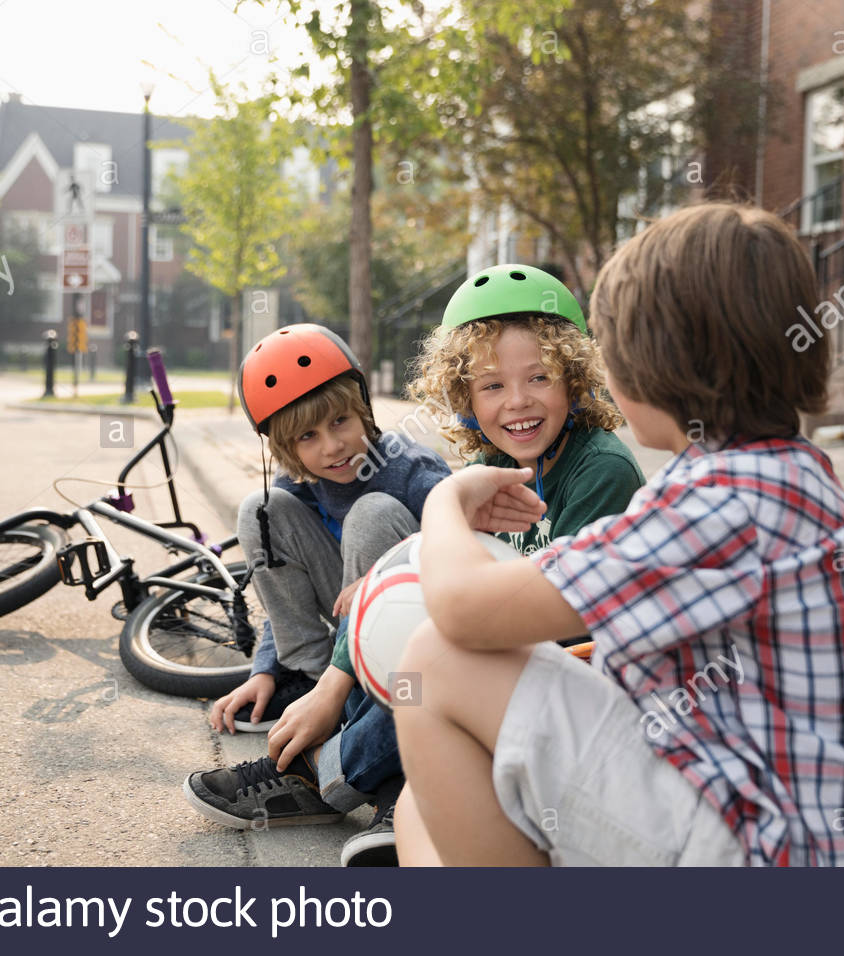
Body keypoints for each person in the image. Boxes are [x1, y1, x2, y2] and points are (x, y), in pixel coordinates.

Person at [392, 204, 844, 867]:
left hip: (761, 850)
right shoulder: (783, 474)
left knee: (433, 662)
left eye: (611, 345)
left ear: (659, 366)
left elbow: (462, 610)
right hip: (790, 825)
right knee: (420, 807)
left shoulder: (719, 504)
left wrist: (445, 499)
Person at [258, 264, 645, 865]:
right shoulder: (491, 461)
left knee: (439, 653)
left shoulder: (601, 470)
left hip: (578, 674)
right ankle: (351, 762)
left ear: (575, 378)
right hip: (522, 660)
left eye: (539, 377)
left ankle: (318, 775)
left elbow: (553, 619)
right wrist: (334, 682)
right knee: (404, 615)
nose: (517, 402)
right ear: (465, 396)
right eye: (491, 386)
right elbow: (418, 562)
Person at [182, 324, 449, 831]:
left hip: (407, 629)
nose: (333, 446)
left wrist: (382, 579)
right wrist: (264, 667)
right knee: (261, 508)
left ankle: (350, 708)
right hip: (342, 633)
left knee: (371, 513)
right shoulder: (299, 482)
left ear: (364, 408)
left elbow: (461, 542)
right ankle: (304, 680)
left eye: (341, 421)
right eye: (308, 436)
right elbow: (286, 581)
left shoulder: (408, 467)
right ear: (284, 448)